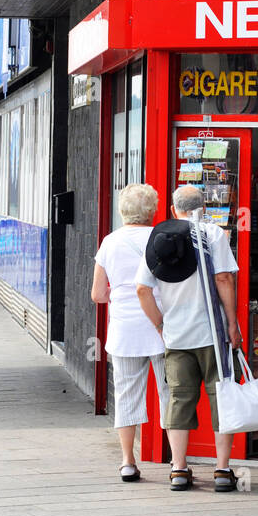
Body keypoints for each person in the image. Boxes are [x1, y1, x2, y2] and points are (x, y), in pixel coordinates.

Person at [136, 185, 242, 493]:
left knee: (180, 400)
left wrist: (160, 324)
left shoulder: (157, 239)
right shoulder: (212, 234)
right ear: (204, 207)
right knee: (220, 395)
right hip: (212, 333)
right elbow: (223, 278)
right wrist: (233, 324)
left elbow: (141, 289)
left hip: (177, 335)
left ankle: (179, 470)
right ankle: (222, 471)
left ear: (172, 210)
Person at [91, 183, 170, 483]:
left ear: (122, 210)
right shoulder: (162, 239)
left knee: (126, 396)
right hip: (162, 328)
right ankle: (178, 462)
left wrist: (118, 291)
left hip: (124, 331)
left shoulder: (109, 242)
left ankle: (127, 462)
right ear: (152, 211)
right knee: (171, 395)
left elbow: (98, 294)